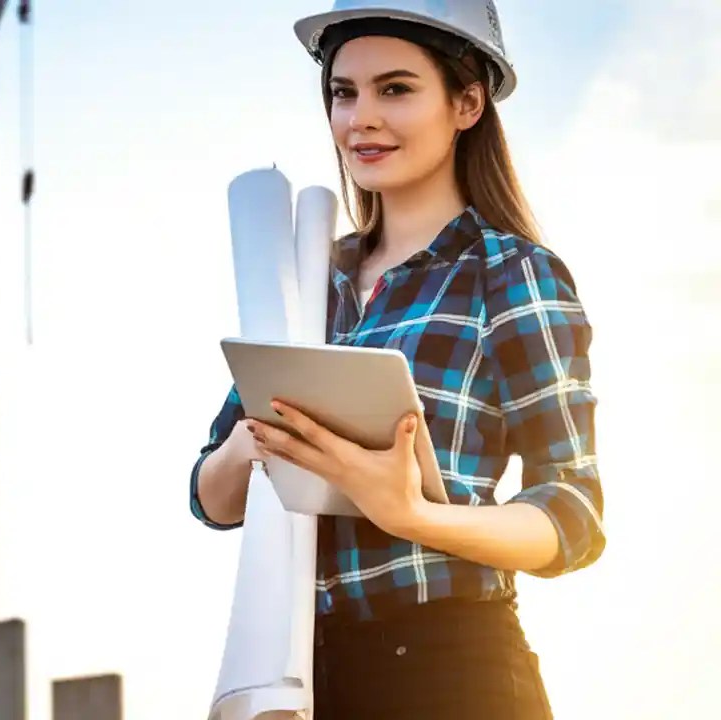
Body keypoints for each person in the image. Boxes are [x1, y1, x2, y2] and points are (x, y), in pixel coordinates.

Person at [189, 2, 605, 718]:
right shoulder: (306, 281)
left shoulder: (509, 273)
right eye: (343, 93)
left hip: (453, 670)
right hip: (306, 670)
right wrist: (246, 442)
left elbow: (572, 513)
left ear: (467, 103)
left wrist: (409, 512)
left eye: (396, 88)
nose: (361, 118)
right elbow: (210, 499)